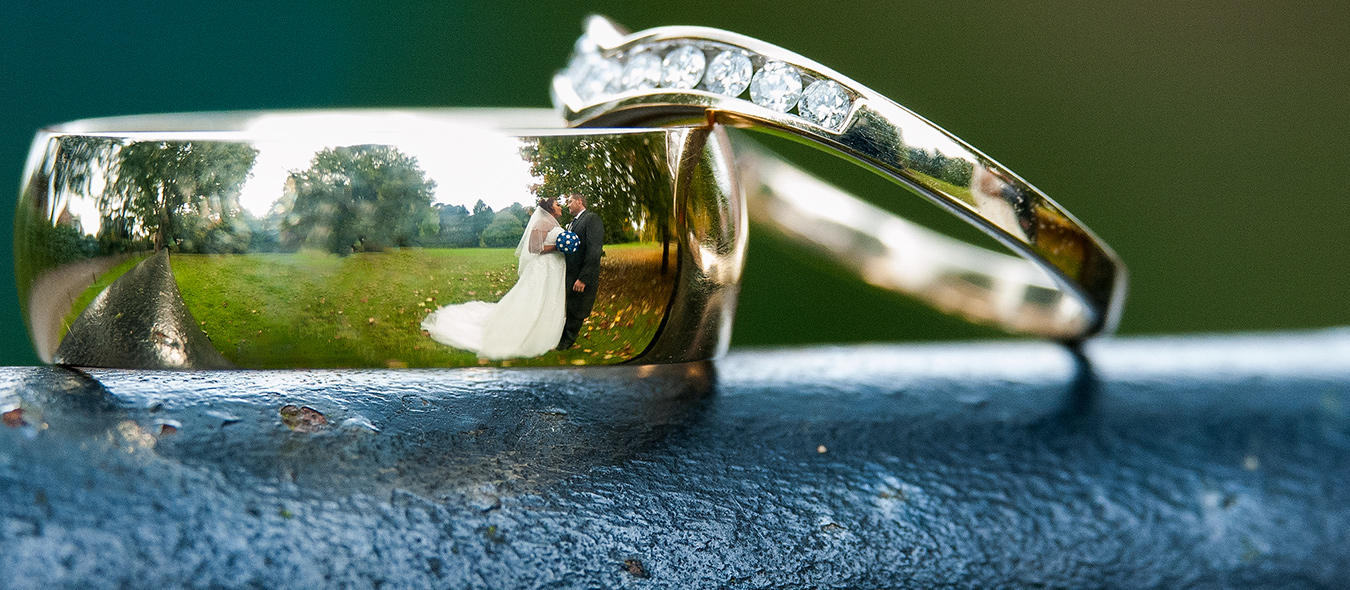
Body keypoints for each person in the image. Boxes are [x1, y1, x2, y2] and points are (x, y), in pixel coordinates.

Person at [421, 197, 567, 359]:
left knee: (549, 297)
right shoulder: (542, 223)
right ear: (550, 208)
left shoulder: (553, 223)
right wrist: (557, 246)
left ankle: (547, 329)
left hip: (554, 267)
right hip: (543, 267)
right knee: (537, 297)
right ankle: (527, 331)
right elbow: (533, 248)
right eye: (557, 204)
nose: (561, 207)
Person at [557, 193, 604, 350]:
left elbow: (594, 251)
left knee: (577, 308)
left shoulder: (591, 219)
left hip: (581, 275)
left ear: (579, 202)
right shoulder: (573, 223)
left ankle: (566, 343)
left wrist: (584, 278)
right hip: (570, 273)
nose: (567, 205)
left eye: (570, 202)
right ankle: (562, 338)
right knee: (570, 306)